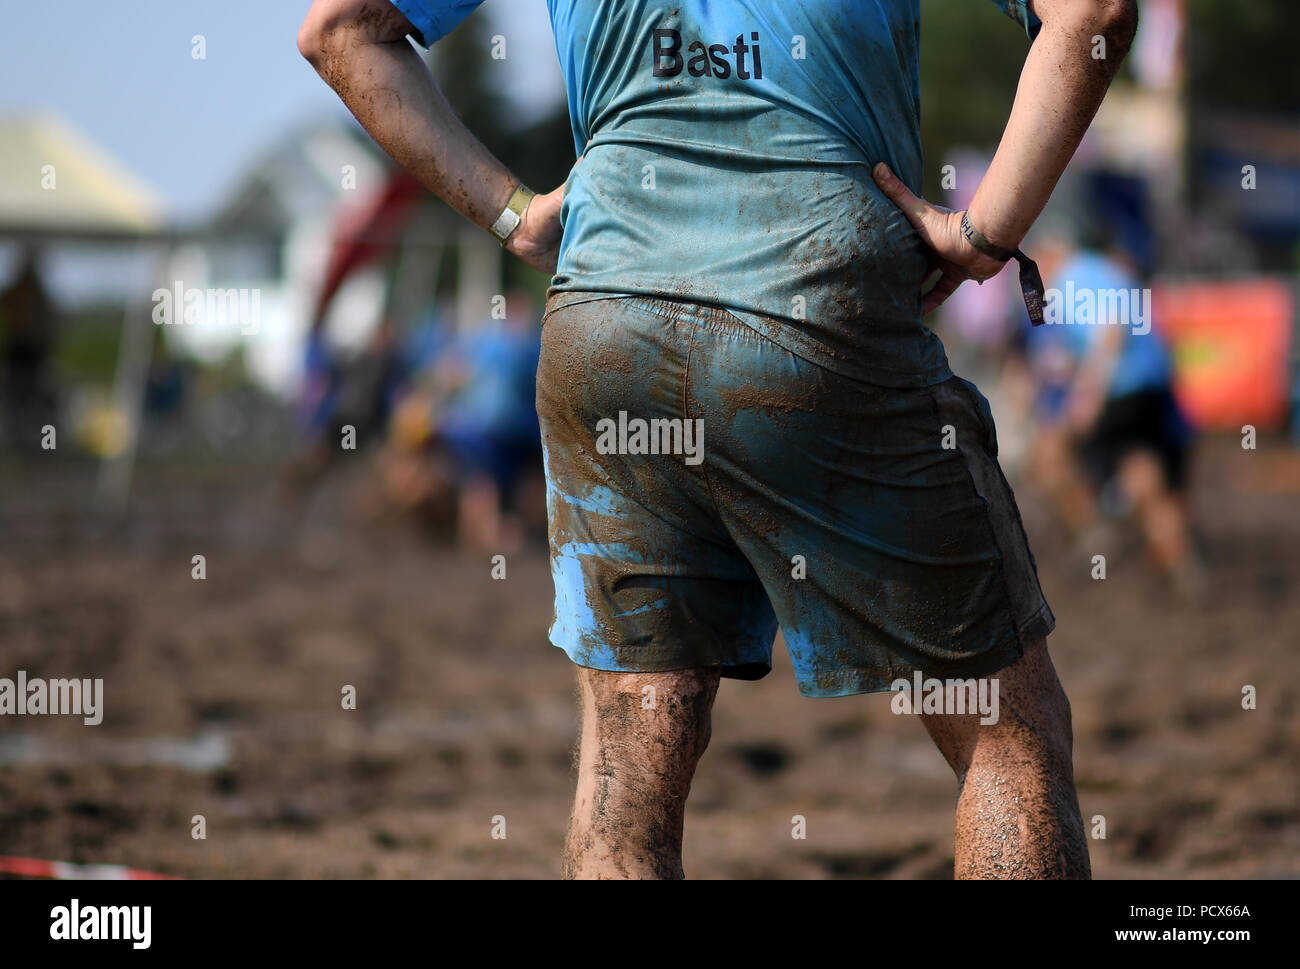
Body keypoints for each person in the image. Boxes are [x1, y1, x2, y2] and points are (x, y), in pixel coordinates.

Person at [299, 0, 1139, 879]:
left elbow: (338, 31)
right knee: (1006, 728)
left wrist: (513, 213)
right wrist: (984, 232)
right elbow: (1097, 11)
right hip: (818, 298)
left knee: (631, 752)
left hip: (606, 315)